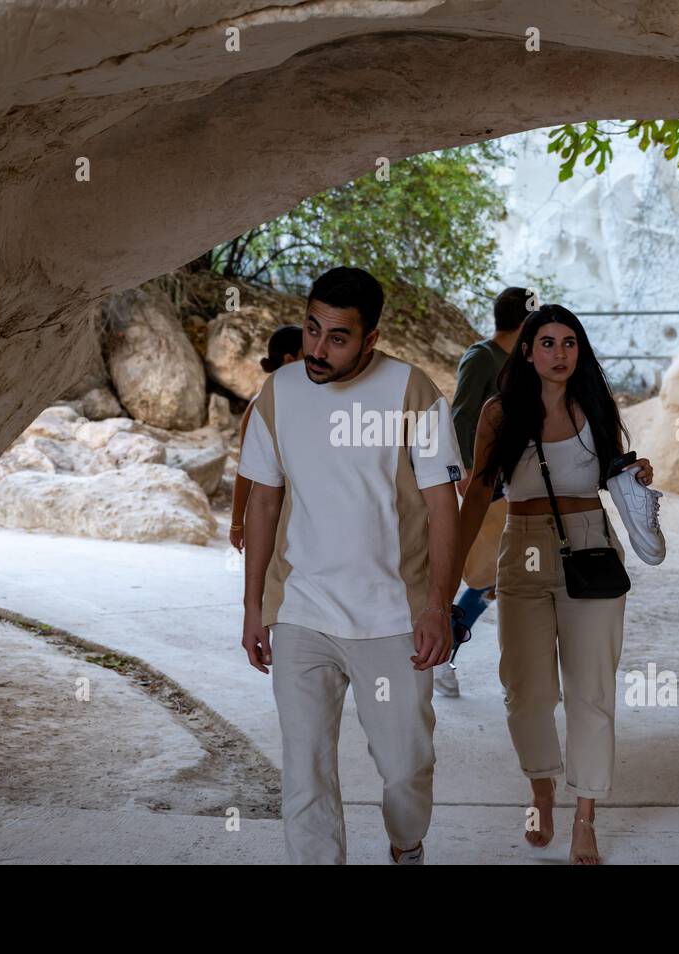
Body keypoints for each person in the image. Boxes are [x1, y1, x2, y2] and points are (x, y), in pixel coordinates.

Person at [237, 266, 465, 865]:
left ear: (370, 338)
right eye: (312, 329)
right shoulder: (279, 393)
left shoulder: (413, 393)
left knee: (406, 769)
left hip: (393, 619)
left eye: (337, 337)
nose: (317, 348)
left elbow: (445, 506)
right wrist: (254, 606)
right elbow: (263, 500)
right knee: (305, 772)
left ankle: (405, 842)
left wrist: (438, 605)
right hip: (301, 613)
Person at [456, 304, 656, 865]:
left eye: (570, 342)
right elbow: (477, 492)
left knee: (591, 690)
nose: (560, 353)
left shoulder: (595, 406)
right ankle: (541, 792)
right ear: (526, 351)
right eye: (547, 342)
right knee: (526, 690)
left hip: (590, 545)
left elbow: (614, 475)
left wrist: (637, 476)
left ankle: (585, 819)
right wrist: (445, 569)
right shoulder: (500, 413)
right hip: (520, 544)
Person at [437, 287, 532, 698]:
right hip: (487, 480)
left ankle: (528, 671)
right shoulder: (481, 357)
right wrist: (466, 470)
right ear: (525, 320)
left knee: (510, 576)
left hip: (519, 480)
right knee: (487, 576)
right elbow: (460, 413)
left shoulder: (522, 362)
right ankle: (443, 651)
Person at [230, 325, 304, 551]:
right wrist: (236, 523)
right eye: (307, 356)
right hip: (271, 515)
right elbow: (246, 470)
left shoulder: (311, 403)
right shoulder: (260, 405)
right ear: (290, 360)